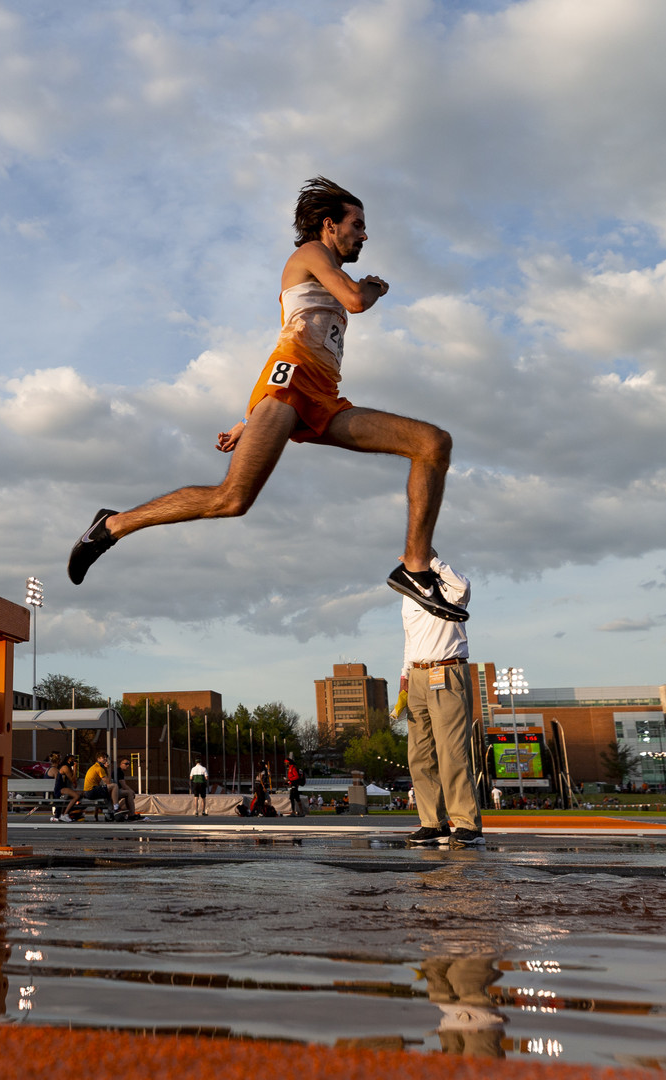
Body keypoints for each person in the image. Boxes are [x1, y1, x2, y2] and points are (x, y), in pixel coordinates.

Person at [65, 178, 465, 624]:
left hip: (321, 398)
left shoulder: (328, 270)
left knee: (432, 443)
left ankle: (414, 568)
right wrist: (373, 287)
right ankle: (112, 526)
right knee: (231, 500)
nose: (365, 235)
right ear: (330, 225)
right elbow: (354, 302)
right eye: (358, 225)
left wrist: (246, 422)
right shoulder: (311, 253)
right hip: (290, 385)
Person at [403, 552, 482, 847]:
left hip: (448, 671)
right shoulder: (408, 593)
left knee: (451, 751)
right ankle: (433, 823)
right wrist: (404, 675)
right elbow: (409, 638)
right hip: (418, 675)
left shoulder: (447, 587)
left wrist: (431, 561)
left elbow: (464, 587)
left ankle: (467, 824)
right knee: (420, 753)